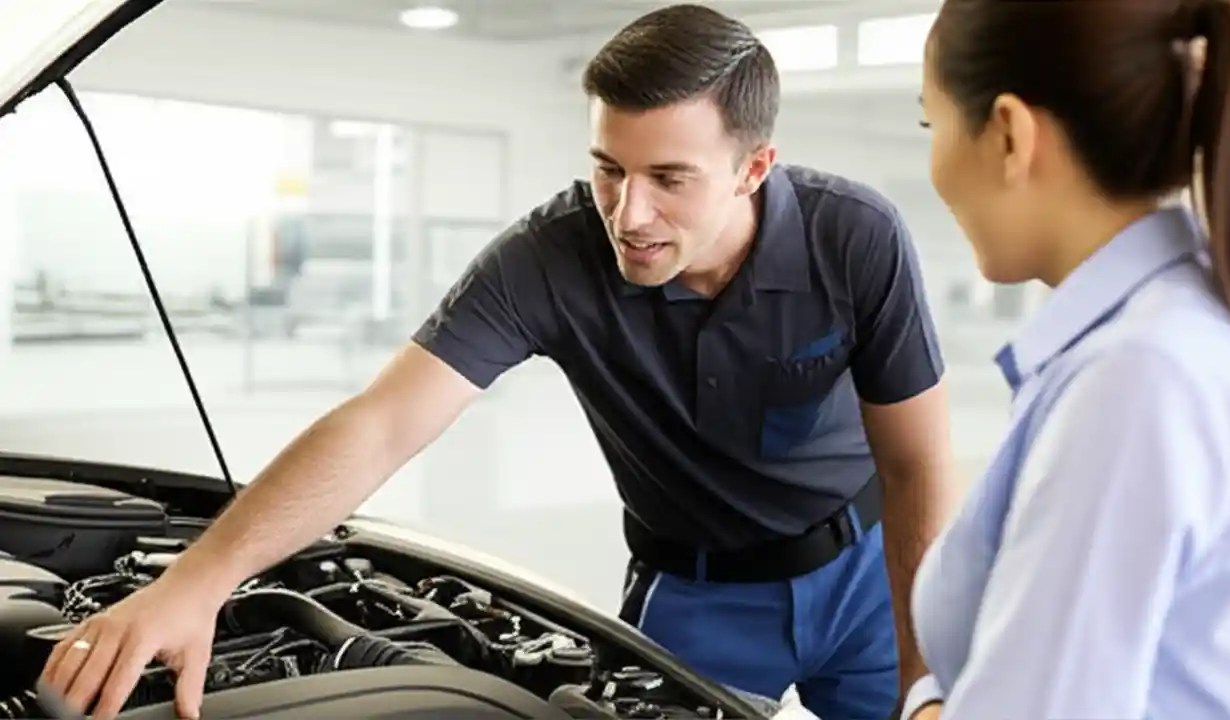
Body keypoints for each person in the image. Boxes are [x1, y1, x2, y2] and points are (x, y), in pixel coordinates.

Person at [40, 4, 955, 719]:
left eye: (670, 179)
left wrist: (927, 678)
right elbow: (381, 422)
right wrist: (196, 581)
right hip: (697, 598)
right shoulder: (548, 258)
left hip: (868, 577)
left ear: (754, 170)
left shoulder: (854, 237)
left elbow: (917, 466)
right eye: (608, 168)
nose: (628, 214)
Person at [903, 0, 1230, 719]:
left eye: (934, 124)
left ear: (1010, 134)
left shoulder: (1139, 380)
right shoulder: (1167, 341)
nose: (936, 167)